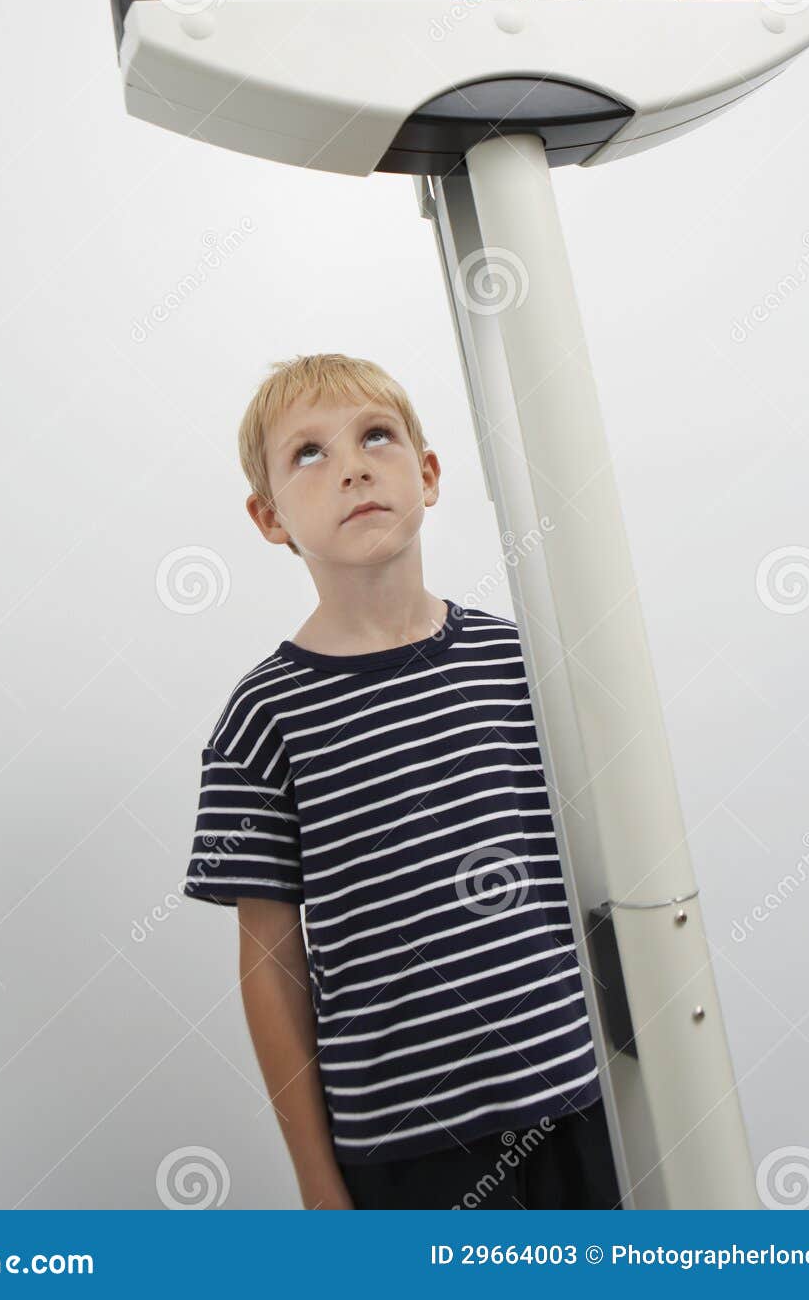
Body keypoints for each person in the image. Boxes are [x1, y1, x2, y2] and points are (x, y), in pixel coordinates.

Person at [182, 353, 622, 1211]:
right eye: (308, 452)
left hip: (575, 1103)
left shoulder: (518, 662)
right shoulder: (263, 719)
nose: (351, 464)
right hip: (405, 1150)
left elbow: (598, 862)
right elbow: (270, 959)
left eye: (376, 436)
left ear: (426, 474)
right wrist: (316, 1176)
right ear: (269, 518)